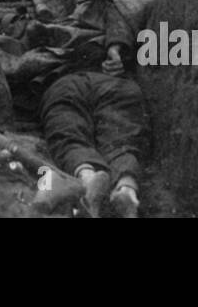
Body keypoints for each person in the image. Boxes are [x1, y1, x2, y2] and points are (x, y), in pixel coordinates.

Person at [38, 44, 149, 218]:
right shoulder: (103, 27)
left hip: (66, 84)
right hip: (118, 83)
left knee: (68, 134)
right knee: (123, 139)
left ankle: (88, 177)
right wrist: (115, 48)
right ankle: (126, 188)